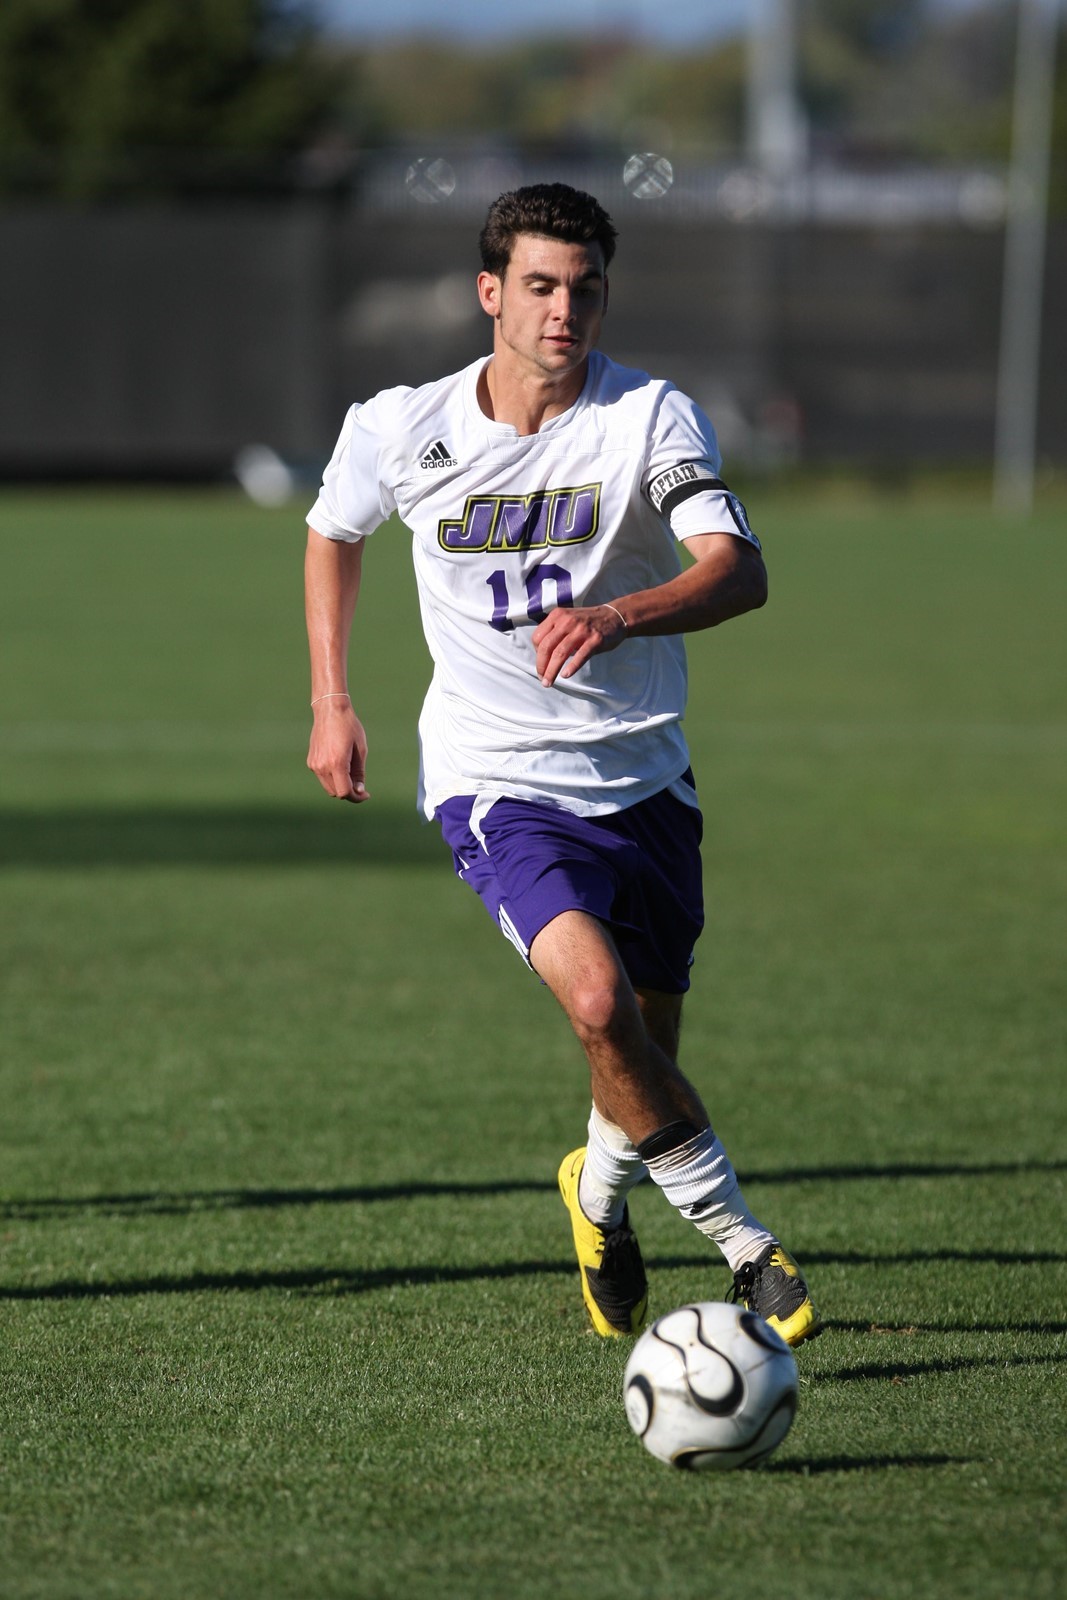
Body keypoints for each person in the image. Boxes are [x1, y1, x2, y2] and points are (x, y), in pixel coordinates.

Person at [304, 182, 821, 1348]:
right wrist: (333, 700)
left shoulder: (648, 418)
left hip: (643, 780)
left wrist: (620, 613)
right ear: (489, 292)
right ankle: (746, 1249)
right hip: (494, 779)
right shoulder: (401, 425)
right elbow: (332, 532)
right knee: (595, 1003)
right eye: (538, 286)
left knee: (635, 1043)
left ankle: (597, 1196)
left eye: (583, 289)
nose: (562, 311)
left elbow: (735, 568)